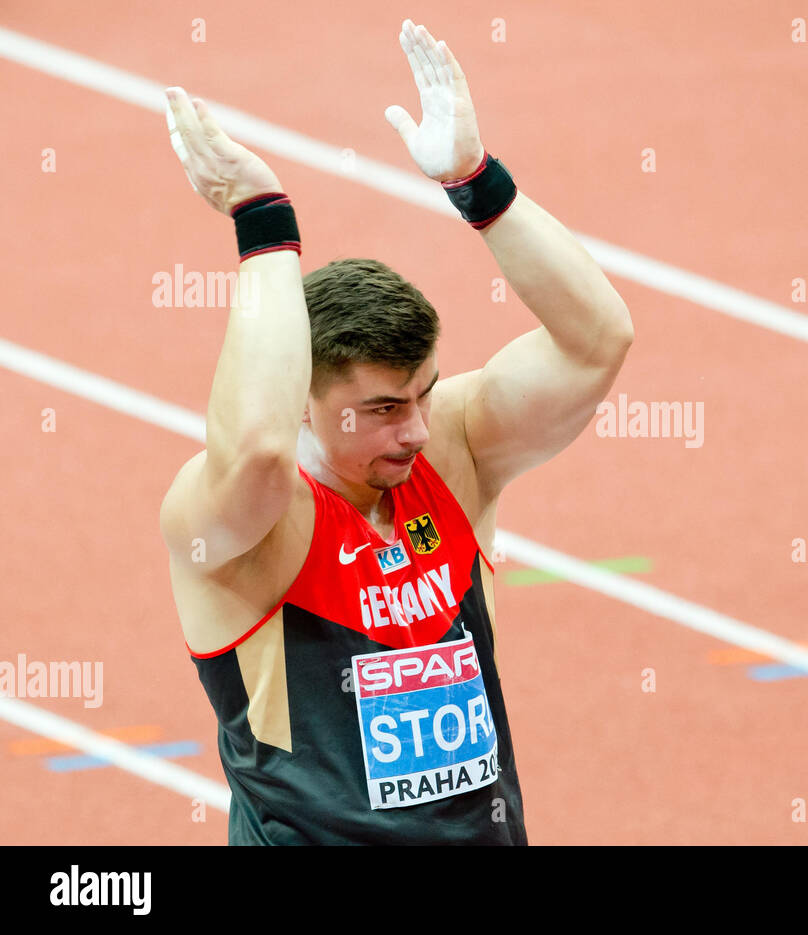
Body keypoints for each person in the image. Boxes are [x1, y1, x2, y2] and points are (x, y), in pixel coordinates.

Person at [158, 19, 633, 844]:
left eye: (424, 394)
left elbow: (598, 342)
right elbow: (261, 450)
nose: (414, 429)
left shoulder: (453, 452)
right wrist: (263, 224)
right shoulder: (248, 521)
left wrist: (479, 185)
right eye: (381, 408)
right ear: (305, 398)